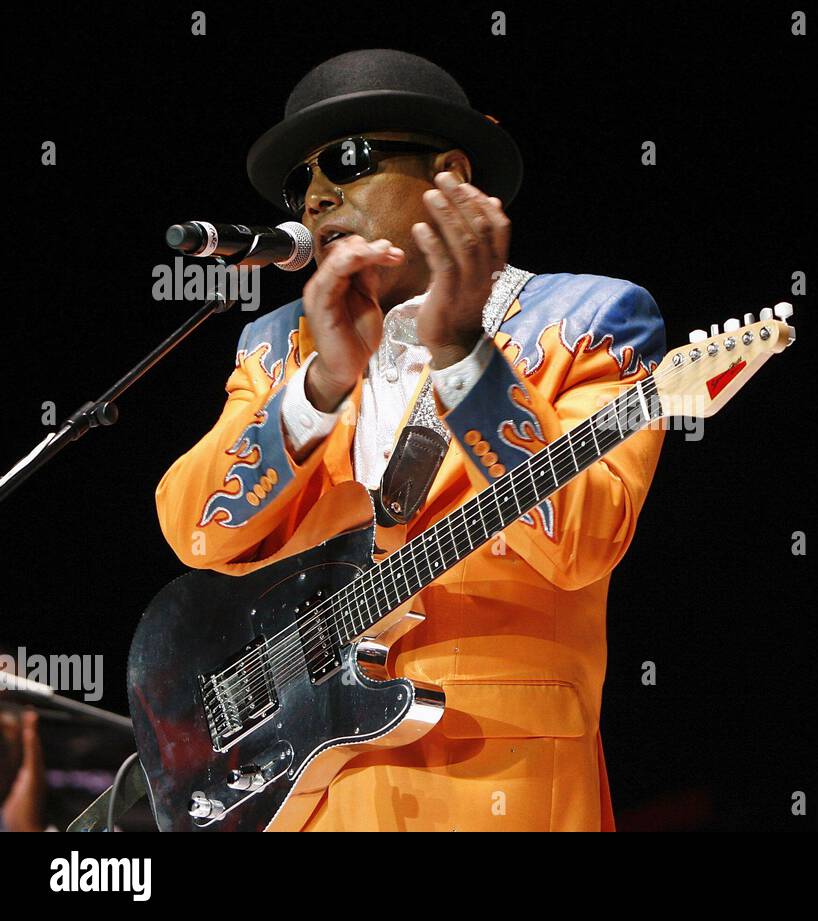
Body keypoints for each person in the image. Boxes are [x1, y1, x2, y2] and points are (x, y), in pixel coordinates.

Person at [154, 49, 666, 831]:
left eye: (349, 160)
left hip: (497, 775)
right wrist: (319, 386)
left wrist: (465, 353)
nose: (318, 196)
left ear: (453, 174)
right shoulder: (277, 345)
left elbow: (583, 540)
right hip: (308, 794)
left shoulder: (591, 319)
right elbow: (196, 531)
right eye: (303, 184)